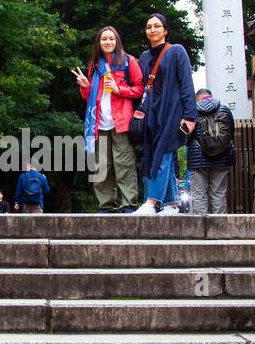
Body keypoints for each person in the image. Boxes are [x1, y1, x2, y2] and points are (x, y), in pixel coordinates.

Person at [73, 25, 144, 213]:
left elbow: (140, 89)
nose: (108, 42)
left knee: (124, 166)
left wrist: (119, 89)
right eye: (104, 39)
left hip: (121, 122)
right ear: (99, 43)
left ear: (117, 41)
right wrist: (85, 86)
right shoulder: (93, 67)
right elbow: (89, 97)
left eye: (111, 39)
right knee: (101, 167)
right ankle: (106, 205)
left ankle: (128, 204)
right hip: (98, 124)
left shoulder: (129, 62)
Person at [132, 12, 197, 216]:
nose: (153, 29)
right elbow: (139, 86)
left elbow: (186, 83)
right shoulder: (144, 57)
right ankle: (171, 204)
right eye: (149, 26)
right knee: (157, 154)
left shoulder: (176, 51)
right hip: (151, 113)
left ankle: (151, 202)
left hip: (173, 112)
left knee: (162, 153)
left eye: (157, 26)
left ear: (165, 30)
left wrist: (190, 115)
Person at [188, 88, 236, 215]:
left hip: (197, 158)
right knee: (219, 193)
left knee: (199, 195)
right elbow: (231, 134)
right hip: (222, 158)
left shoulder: (192, 111)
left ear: (198, 98)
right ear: (210, 97)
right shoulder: (225, 110)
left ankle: (200, 229)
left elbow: (186, 136)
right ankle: (219, 229)